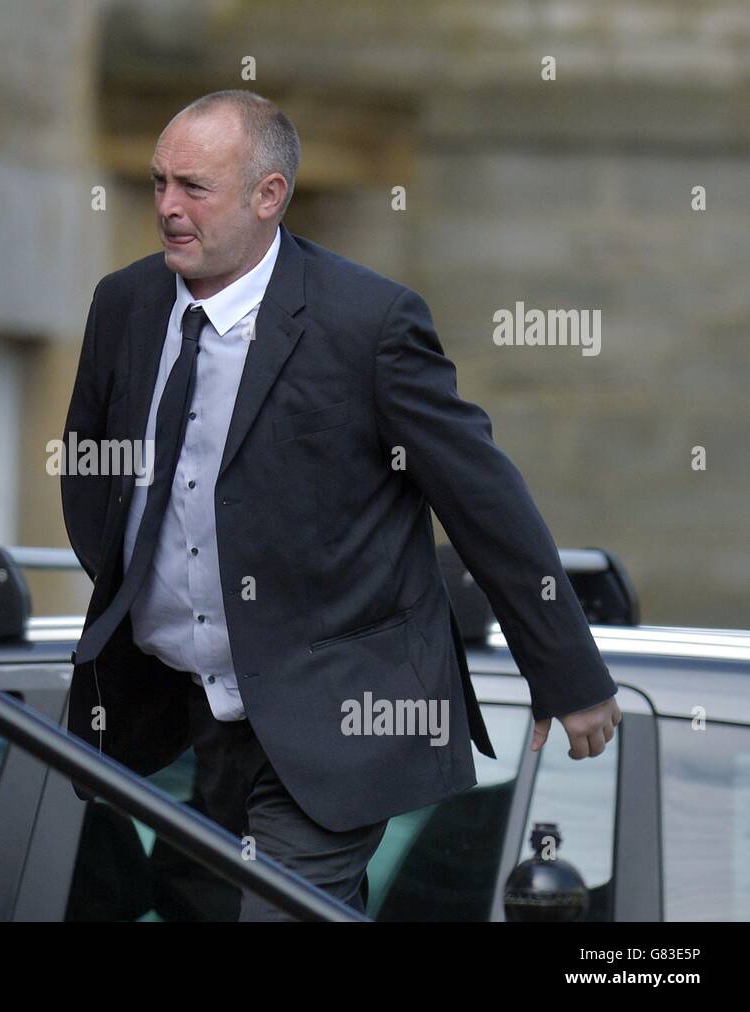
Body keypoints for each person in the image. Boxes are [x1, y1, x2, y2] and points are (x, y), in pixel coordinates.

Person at [60, 90, 620, 920]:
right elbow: (90, 467)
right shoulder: (126, 304)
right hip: (184, 706)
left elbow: (482, 500)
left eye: (194, 187)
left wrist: (565, 669)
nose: (169, 209)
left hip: (337, 710)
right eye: (158, 183)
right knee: (195, 907)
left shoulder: (369, 322)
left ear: (269, 195)